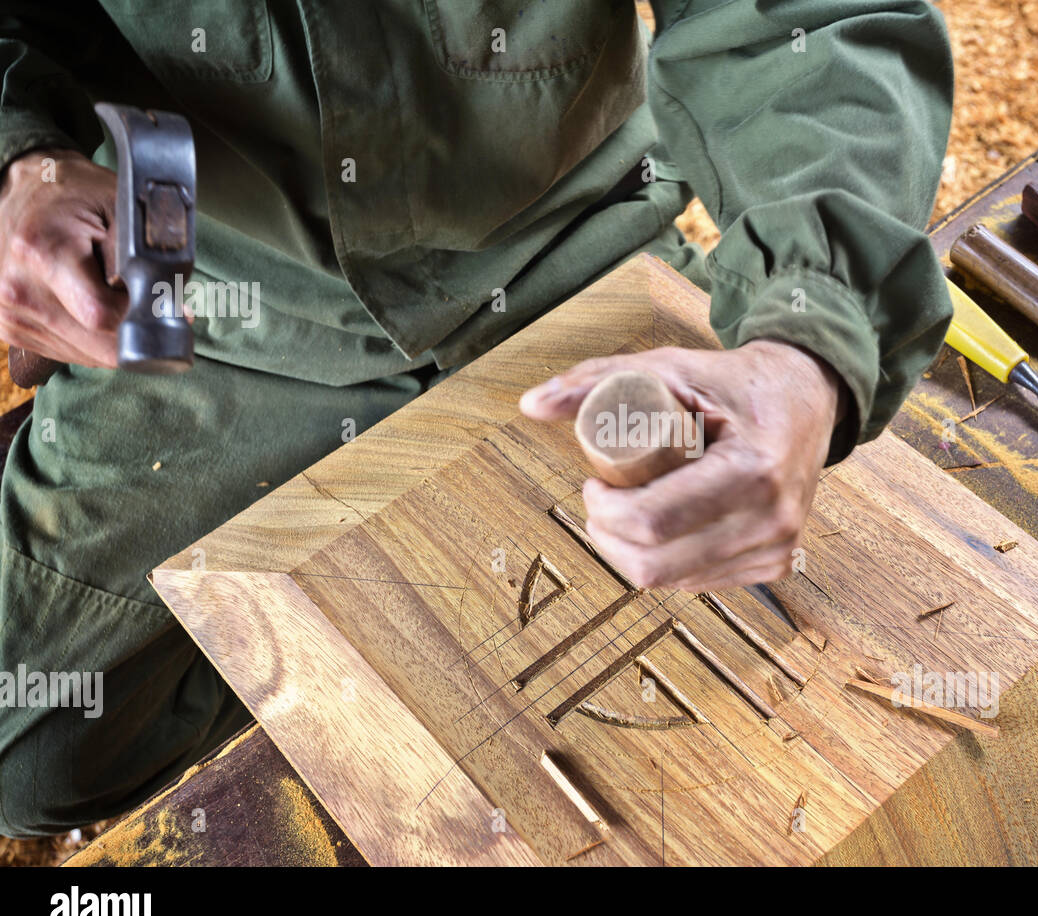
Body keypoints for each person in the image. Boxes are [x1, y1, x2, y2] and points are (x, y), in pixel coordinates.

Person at [0, 1, 953, 836]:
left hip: (559, 253)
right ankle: (360, 635)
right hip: (211, 301)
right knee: (29, 761)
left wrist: (808, 346)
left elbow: (814, 15)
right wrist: (16, 164)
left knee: (845, 634)